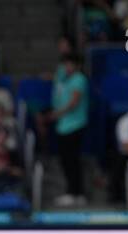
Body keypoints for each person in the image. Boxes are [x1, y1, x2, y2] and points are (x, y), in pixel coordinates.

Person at [42, 52, 89, 206]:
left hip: (75, 125)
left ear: (77, 66)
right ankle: (73, 191)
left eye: (70, 64)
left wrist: (56, 114)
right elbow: (55, 78)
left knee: (72, 160)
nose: (67, 67)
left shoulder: (79, 79)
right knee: (65, 160)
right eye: (65, 64)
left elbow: (74, 102)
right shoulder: (63, 78)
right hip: (63, 126)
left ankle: (76, 192)